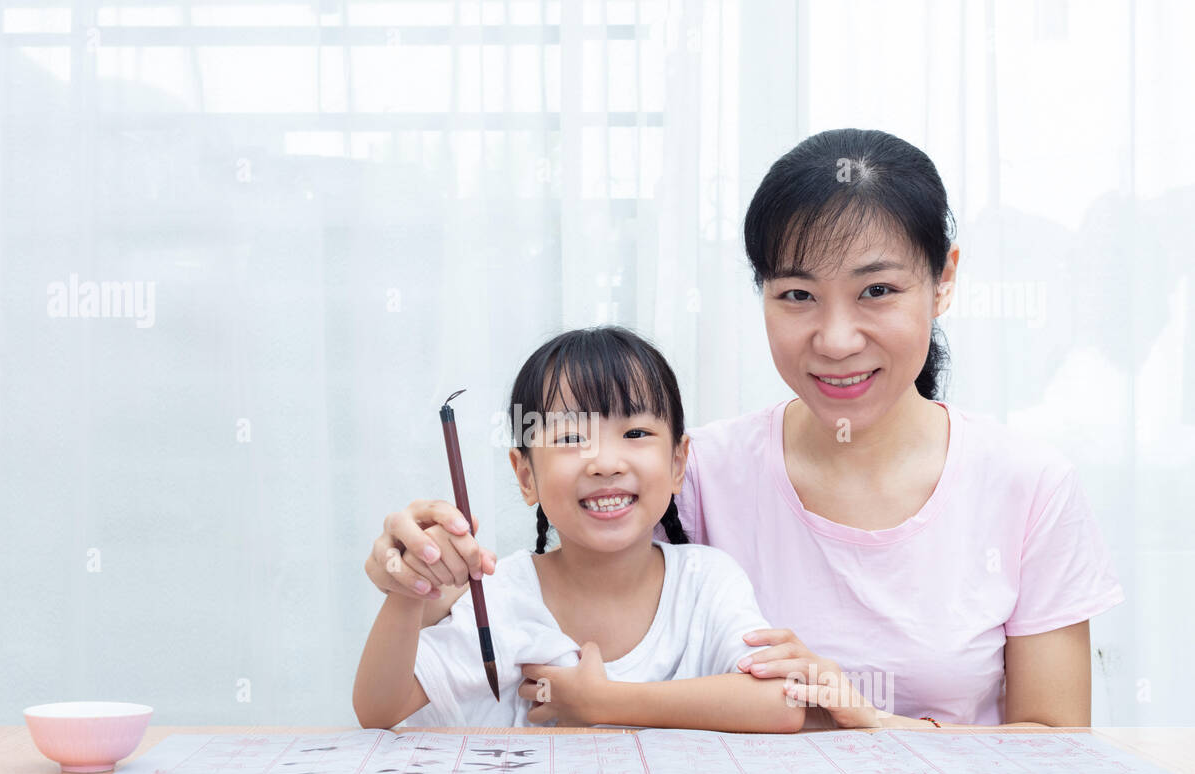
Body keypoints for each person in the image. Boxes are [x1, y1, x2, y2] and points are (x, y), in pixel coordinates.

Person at [365, 129, 1125, 731]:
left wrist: (886, 728)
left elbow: (1055, 746)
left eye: (878, 291)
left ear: (945, 280)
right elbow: (583, 586)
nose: (834, 339)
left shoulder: (1030, 486)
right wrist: (423, 582)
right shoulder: (698, 474)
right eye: (796, 294)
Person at [354, 326, 812, 732]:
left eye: (635, 434)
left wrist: (603, 702)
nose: (606, 463)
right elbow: (379, 710)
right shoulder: (501, 595)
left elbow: (783, 702)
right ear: (526, 475)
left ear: (678, 463)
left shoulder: (707, 581)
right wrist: (409, 593)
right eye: (571, 439)